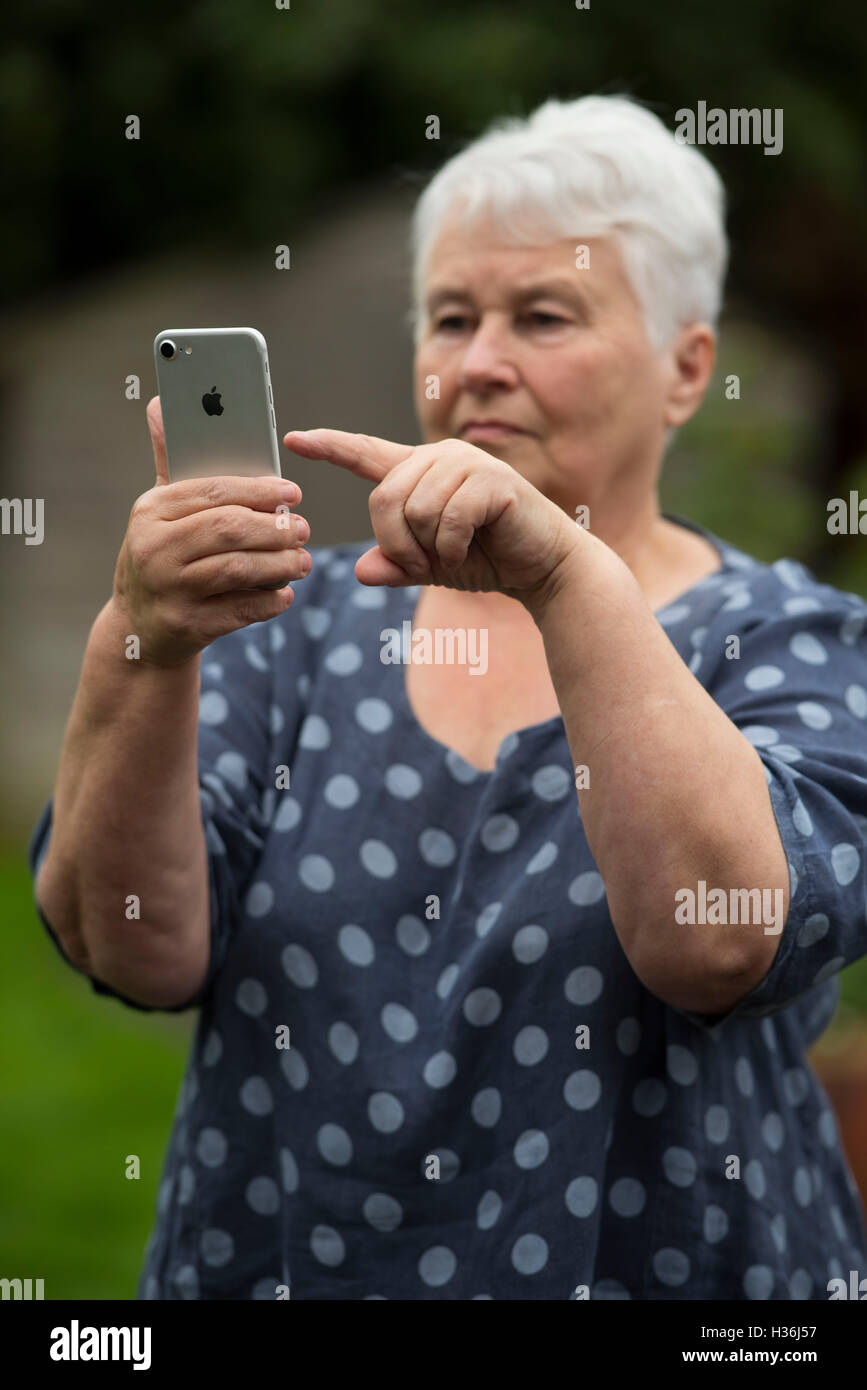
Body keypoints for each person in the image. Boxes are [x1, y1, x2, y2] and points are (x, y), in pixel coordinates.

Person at [29, 94, 867, 1301]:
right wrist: (144, 643)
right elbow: (133, 944)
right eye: (451, 317)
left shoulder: (788, 641)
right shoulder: (290, 625)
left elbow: (716, 935)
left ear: (688, 370)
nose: (478, 362)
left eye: (542, 315)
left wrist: (567, 578)